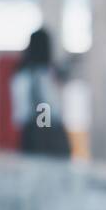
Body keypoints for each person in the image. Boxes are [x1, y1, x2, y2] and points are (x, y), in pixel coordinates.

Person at [11, 27, 71, 157]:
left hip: (29, 133)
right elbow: (47, 108)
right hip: (45, 133)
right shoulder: (44, 75)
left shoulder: (21, 75)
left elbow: (19, 114)